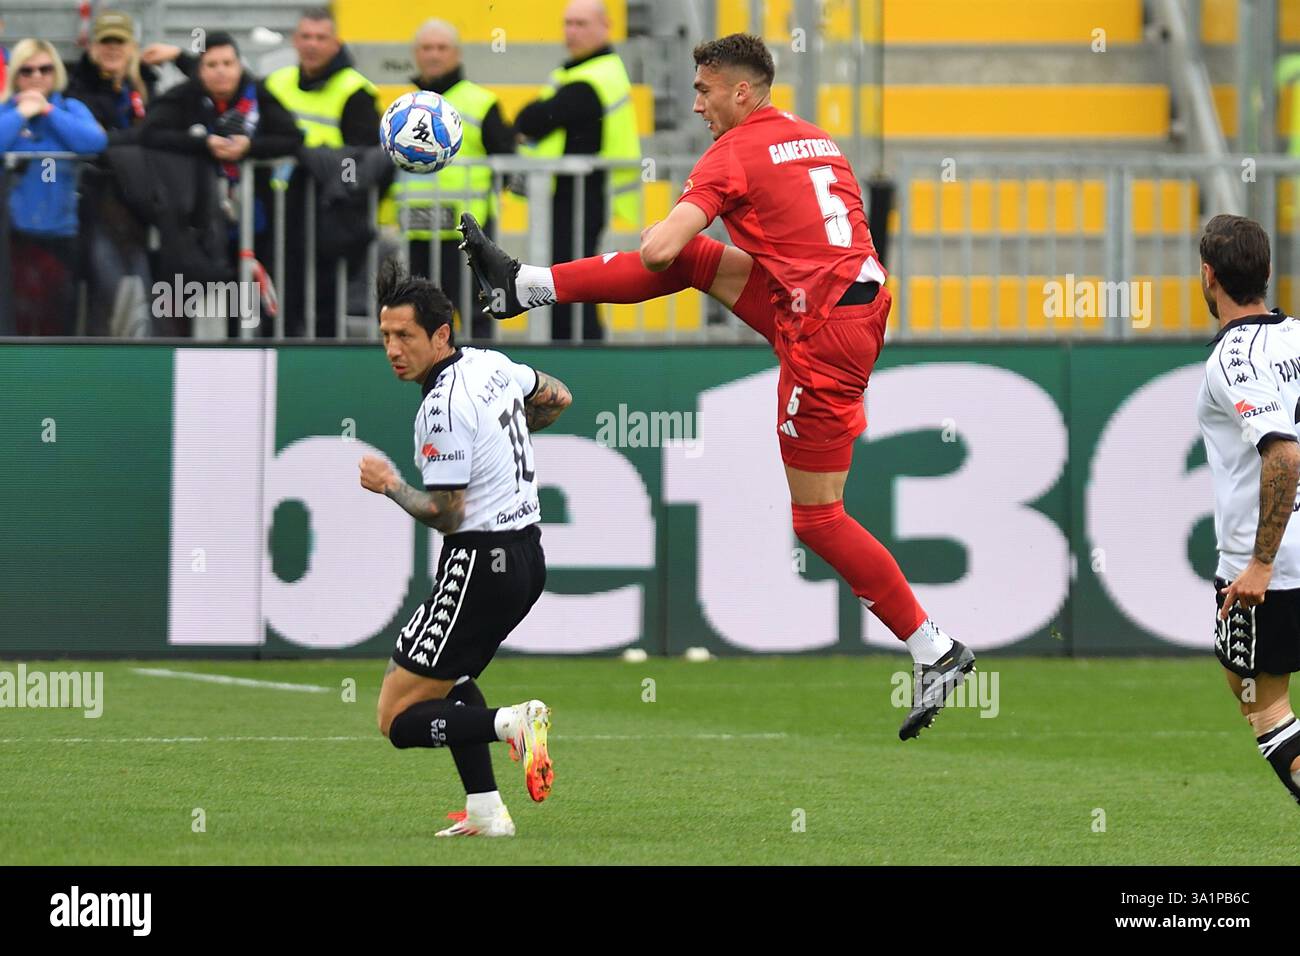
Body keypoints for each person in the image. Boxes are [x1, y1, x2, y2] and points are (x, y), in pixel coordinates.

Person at [462, 33, 974, 739]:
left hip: (821, 328)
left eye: (704, 91)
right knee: (702, 261)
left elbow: (656, 250)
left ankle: (935, 648)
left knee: (818, 518)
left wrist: (679, 211)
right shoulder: (812, 136)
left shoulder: (732, 152)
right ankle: (525, 285)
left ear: (741, 91)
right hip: (844, 306)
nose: (696, 103)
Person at [360, 259, 572, 837]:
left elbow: (445, 512)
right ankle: (486, 811)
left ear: (441, 334)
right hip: (526, 558)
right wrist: (513, 428)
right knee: (451, 678)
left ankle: (511, 724)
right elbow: (559, 397)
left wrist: (390, 486)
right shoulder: (492, 365)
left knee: (396, 718)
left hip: (480, 560)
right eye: (385, 336)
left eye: (405, 336)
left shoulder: (441, 408)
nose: (393, 349)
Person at [1197, 213, 1300, 807]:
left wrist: (1260, 563)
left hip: (1268, 571)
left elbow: (1282, 455)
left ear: (1209, 276)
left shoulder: (1234, 358)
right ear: (1265, 274)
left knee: (1264, 707)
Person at [139, 32, 302, 335]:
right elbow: (149, 133)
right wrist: (203, 144)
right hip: (200, 219)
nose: (221, 70)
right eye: (212, 64)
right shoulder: (185, 95)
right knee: (202, 296)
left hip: (257, 216)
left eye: (228, 62)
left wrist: (249, 148)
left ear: (240, 66)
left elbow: (293, 138)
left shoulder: (258, 95)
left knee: (271, 293)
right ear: (200, 70)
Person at [514, 0, 640, 342]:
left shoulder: (593, 77)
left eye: (582, 24)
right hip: (569, 192)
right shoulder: (573, 72)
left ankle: (581, 350)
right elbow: (531, 118)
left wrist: (534, 120)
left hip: (584, 194)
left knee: (573, 279)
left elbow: (532, 120)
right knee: (568, 276)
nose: (572, 32)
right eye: (568, 23)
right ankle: (573, 344)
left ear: (605, 26)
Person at [393, 18, 514, 341]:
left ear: (457, 54)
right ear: (416, 54)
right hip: (418, 228)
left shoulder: (481, 102)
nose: (434, 55)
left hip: (468, 232)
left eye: (442, 48)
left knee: (477, 313)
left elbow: (507, 161)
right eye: (427, 48)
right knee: (425, 317)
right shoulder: (401, 106)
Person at [265, 7, 382, 337]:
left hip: (329, 210)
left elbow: (365, 155)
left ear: (336, 43)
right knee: (280, 294)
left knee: (325, 299)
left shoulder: (354, 89)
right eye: (306, 37)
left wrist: (325, 168)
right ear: (294, 41)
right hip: (282, 206)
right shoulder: (277, 82)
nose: (312, 45)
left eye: (321, 38)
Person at [65, 10, 182, 336]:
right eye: (105, 42)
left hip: (148, 210)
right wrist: (143, 137)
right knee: (113, 293)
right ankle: (111, 373)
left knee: (149, 296)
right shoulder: (77, 91)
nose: (112, 49)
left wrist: (182, 56)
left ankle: (139, 371)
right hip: (101, 208)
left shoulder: (148, 85)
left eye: (119, 41)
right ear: (92, 47)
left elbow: (200, 97)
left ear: (132, 46)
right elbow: (97, 144)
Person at [0, 38, 107, 336]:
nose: (36, 77)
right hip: (14, 239)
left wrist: (47, 111)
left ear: (55, 72)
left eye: (45, 69)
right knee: (15, 324)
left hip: (62, 235)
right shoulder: (5, 111)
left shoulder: (70, 109)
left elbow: (95, 141)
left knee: (59, 321)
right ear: (15, 74)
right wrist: (22, 113)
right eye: (27, 70)